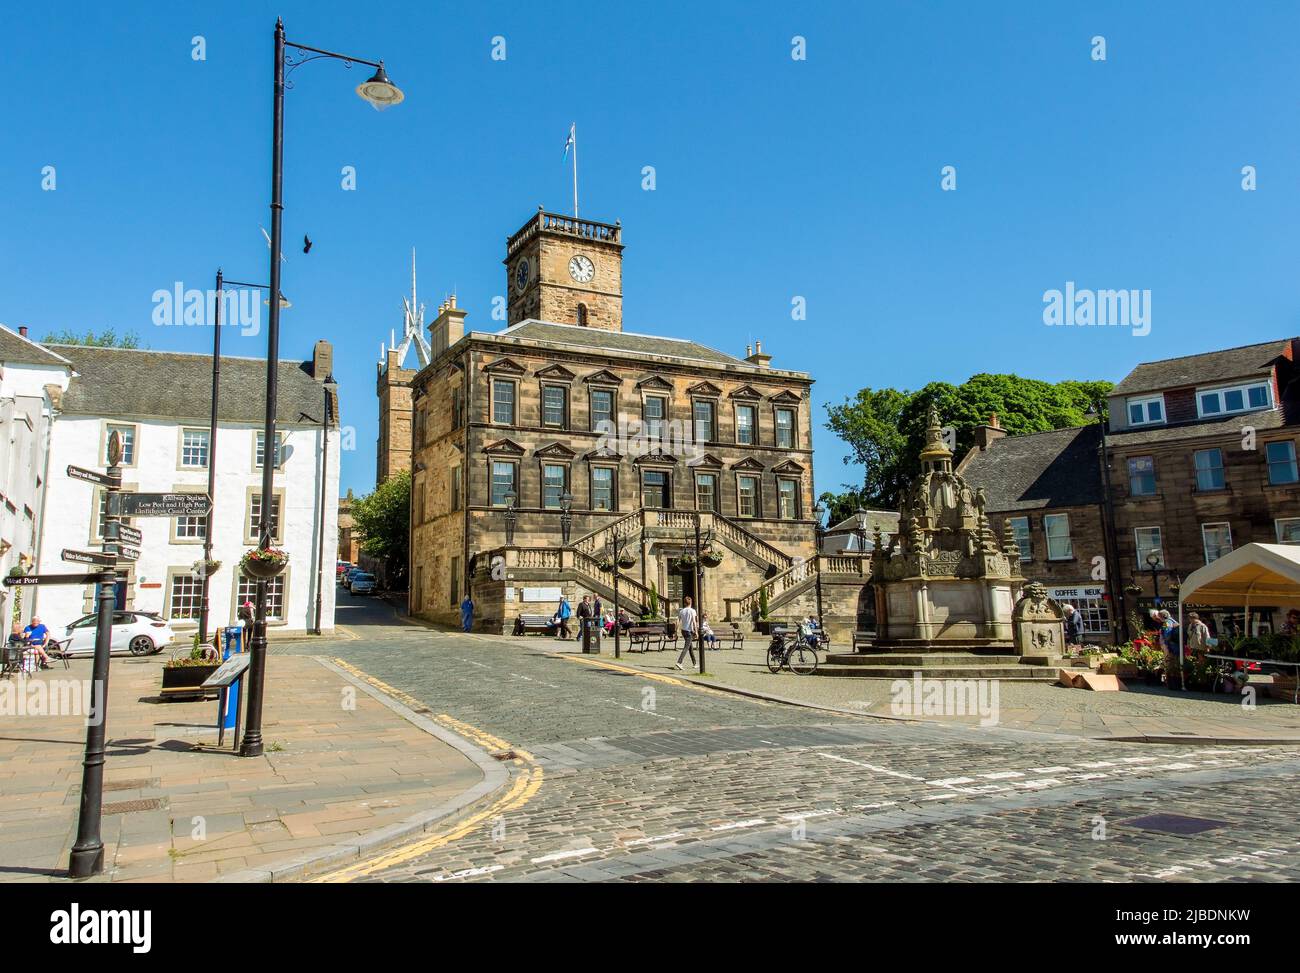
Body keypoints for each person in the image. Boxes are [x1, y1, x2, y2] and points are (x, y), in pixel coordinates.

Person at [675, 596, 698, 670]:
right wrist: (696, 631)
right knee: (686, 647)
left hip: (683, 631)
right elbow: (694, 621)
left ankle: (694, 663)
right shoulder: (692, 611)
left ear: (684, 603)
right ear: (691, 602)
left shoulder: (681, 611)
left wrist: (676, 631)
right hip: (689, 631)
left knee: (690, 647)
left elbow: (678, 621)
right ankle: (679, 662)